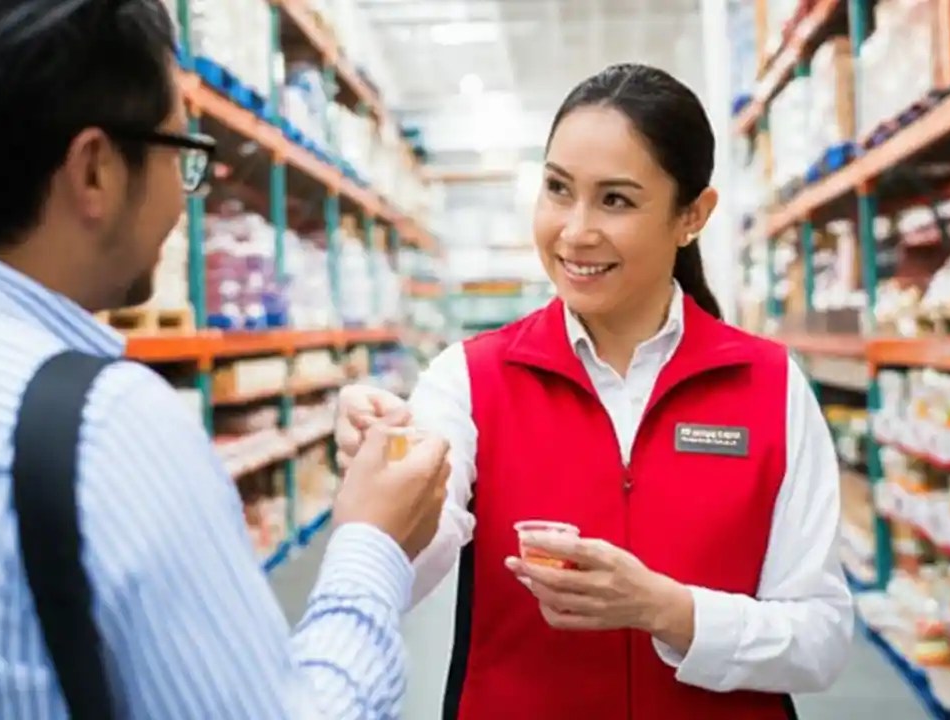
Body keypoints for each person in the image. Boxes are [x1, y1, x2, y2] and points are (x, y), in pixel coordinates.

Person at [0, 1, 450, 718]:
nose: (184, 197)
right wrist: (373, 543)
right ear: (96, 172)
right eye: (184, 153)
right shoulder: (103, 429)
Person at [337, 63, 854, 719]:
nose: (575, 231)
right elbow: (406, 570)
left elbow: (821, 638)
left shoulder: (770, 387)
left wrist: (670, 611)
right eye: (558, 189)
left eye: (616, 199)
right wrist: (377, 477)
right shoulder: (469, 378)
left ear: (692, 215)